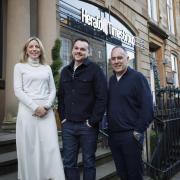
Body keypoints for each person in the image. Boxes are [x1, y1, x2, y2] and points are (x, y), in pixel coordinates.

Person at [13, 37, 65, 180]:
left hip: (46, 113)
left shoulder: (46, 68)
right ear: (26, 50)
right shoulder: (19, 67)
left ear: (41, 50)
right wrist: (35, 107)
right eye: (31, 46)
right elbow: (18, 91)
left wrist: (47, 106)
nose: (34, 49)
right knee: (30, 149)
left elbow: (52, 90)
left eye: (37, 46)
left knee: (50, 147)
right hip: (28, 112)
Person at [58, 38, 107, 180]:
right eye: (76, 48)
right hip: (68, 126)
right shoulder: (65, 71)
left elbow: (102, 97)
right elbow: (61, 96)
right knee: (68, 163)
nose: (78, 51)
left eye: (82, 49)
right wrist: (63, 118)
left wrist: (92, 121)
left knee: (89, 162)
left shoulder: (95, 70)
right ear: (72, 50)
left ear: (88, 52)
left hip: (88, 127)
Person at [107, 46, 154, 180]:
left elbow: (148, 108)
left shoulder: (137, 78)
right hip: (114, 136)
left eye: (120, 58)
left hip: (131, 136)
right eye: (113, 58)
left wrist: (138, 131)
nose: (116, 61)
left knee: (134, 175)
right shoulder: (111, 80)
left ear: (127, 59)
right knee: (122, 174)